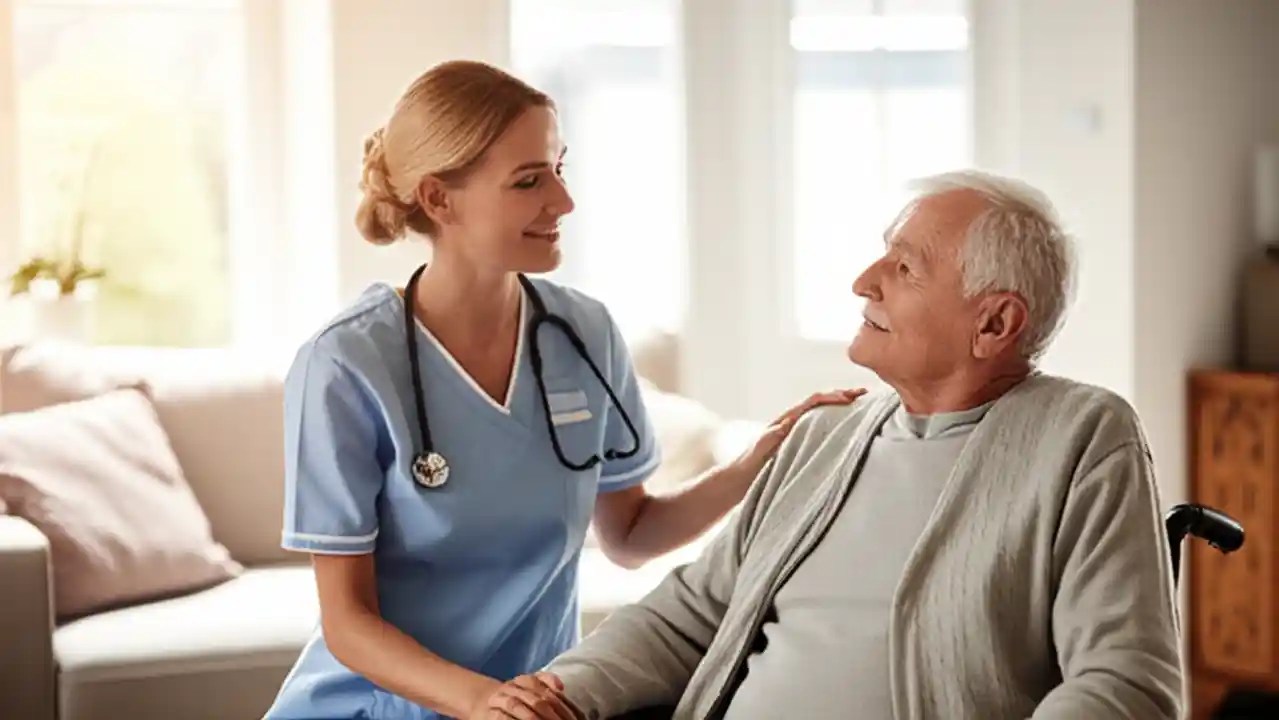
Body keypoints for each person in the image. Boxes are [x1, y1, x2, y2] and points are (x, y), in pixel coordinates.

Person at [264, 60, 861, 720]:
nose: (563, 202)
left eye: (558, 169)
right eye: (528, 181)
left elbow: (631, 535)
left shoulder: (584, 332)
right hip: (380, 709)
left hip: (537, 706)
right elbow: (347, 623)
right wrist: (483, 699)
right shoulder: (346, 364)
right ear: (438, 199)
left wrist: (760, 461)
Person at [544, 170, 1184, 720]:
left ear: (994, 323)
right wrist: (556, 693)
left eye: (904, 268)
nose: (863, 282)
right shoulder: (825, 435)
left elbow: (1123, 684)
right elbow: (685, 615)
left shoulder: (1081, 436)